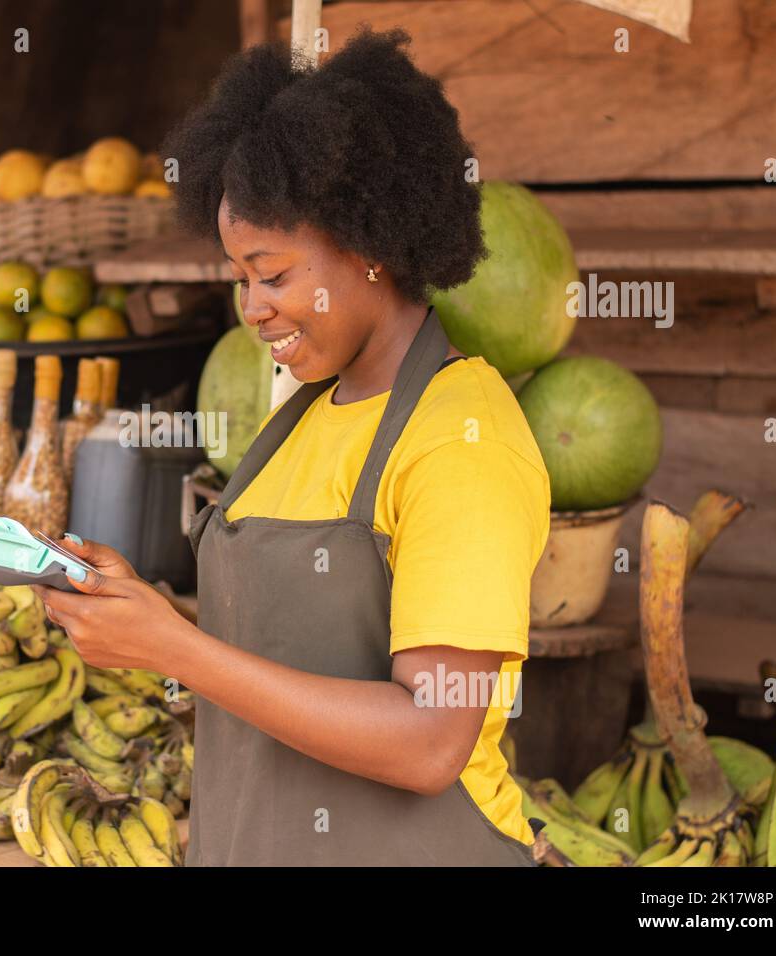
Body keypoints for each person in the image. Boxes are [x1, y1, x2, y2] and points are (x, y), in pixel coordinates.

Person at [33, 30, 551, 866]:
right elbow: (290, 652)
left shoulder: (462, 441)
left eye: (272, 275)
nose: (253, 308)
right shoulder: (303, 418)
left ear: (372, 249)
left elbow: (430, 741)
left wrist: (179, 651)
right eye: (240, 279)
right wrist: (153, 619)